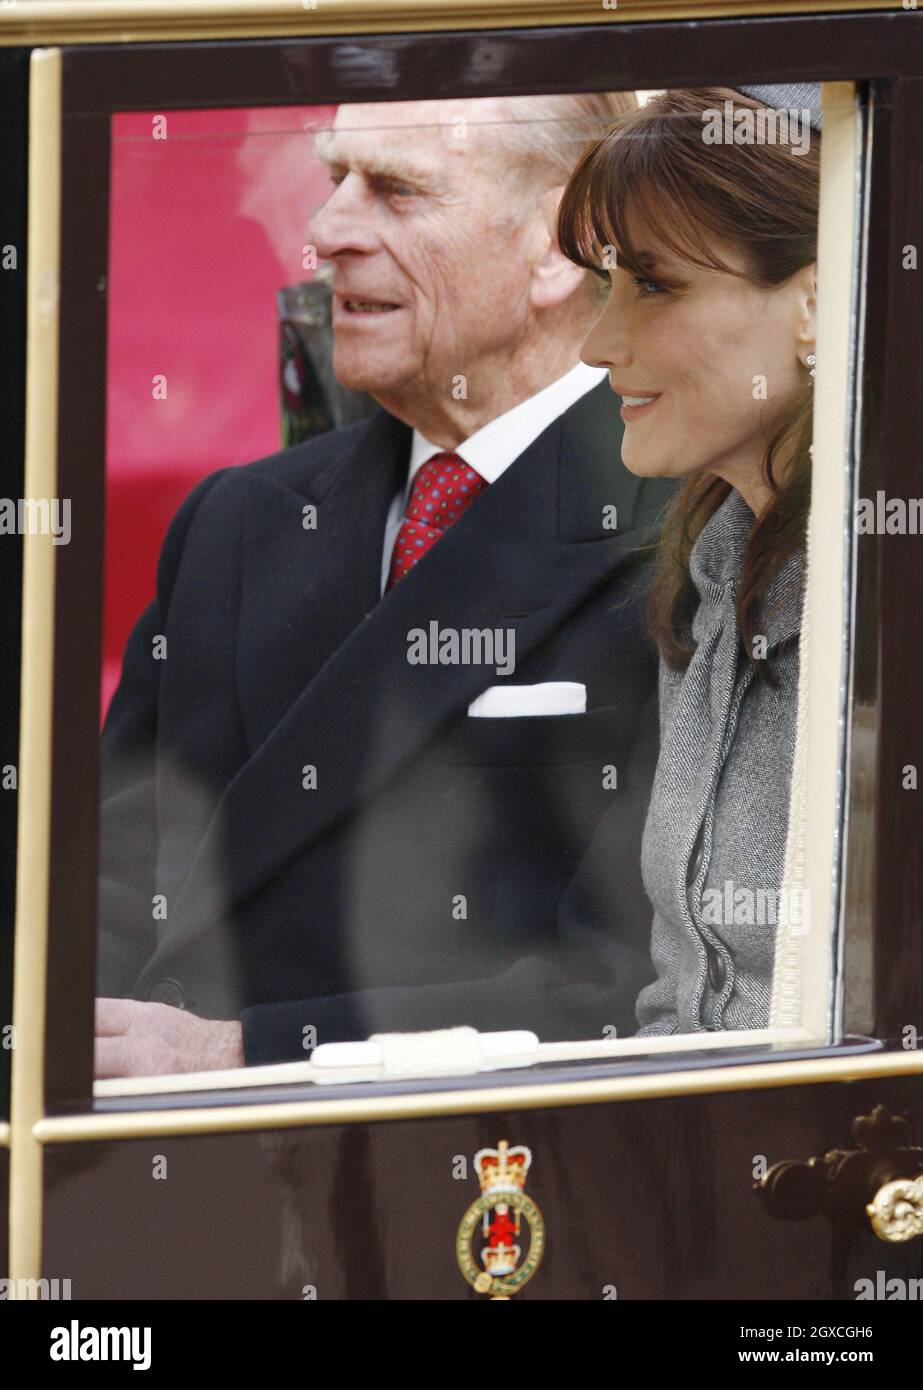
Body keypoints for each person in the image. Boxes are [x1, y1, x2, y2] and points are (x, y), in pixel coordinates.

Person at [94, 92, 676, 1078]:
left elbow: (639, 986)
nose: (323, 235)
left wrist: (249, 1055)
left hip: (486, 1182)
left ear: (560, 248)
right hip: (171, 1188)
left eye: (395, 192)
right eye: (331, 181)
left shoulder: (685, 532)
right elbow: (102, 890)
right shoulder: (235, 521)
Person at [555, 85, 819, 1035]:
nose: (597, 344)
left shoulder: (882, 590)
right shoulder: (716, 574)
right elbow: (686, 995)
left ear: (818, 299)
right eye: (603, 286)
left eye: (653, 285)